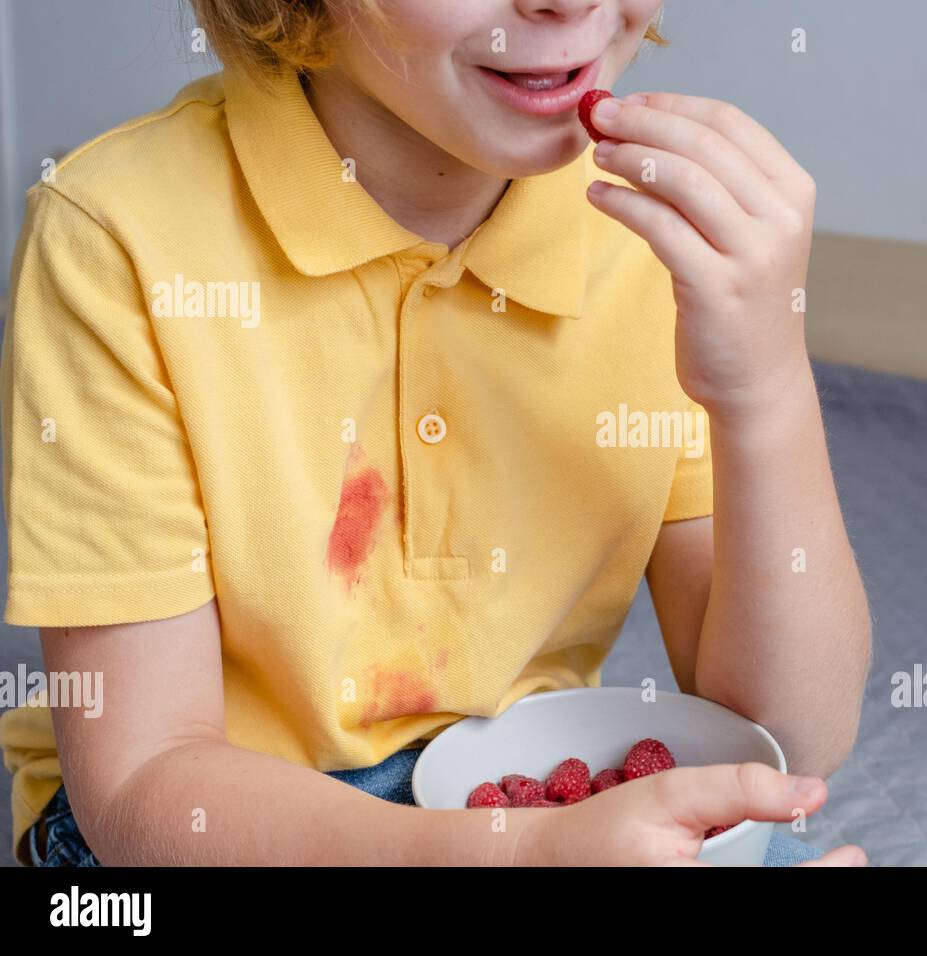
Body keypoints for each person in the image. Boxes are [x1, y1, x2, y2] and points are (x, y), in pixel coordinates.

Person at [1, 0, 872, 866]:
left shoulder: (643, 235)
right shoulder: (116, 233)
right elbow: (141, 783)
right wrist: (521, 856)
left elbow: (787, 734)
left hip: (514, 794)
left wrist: (767, 393)